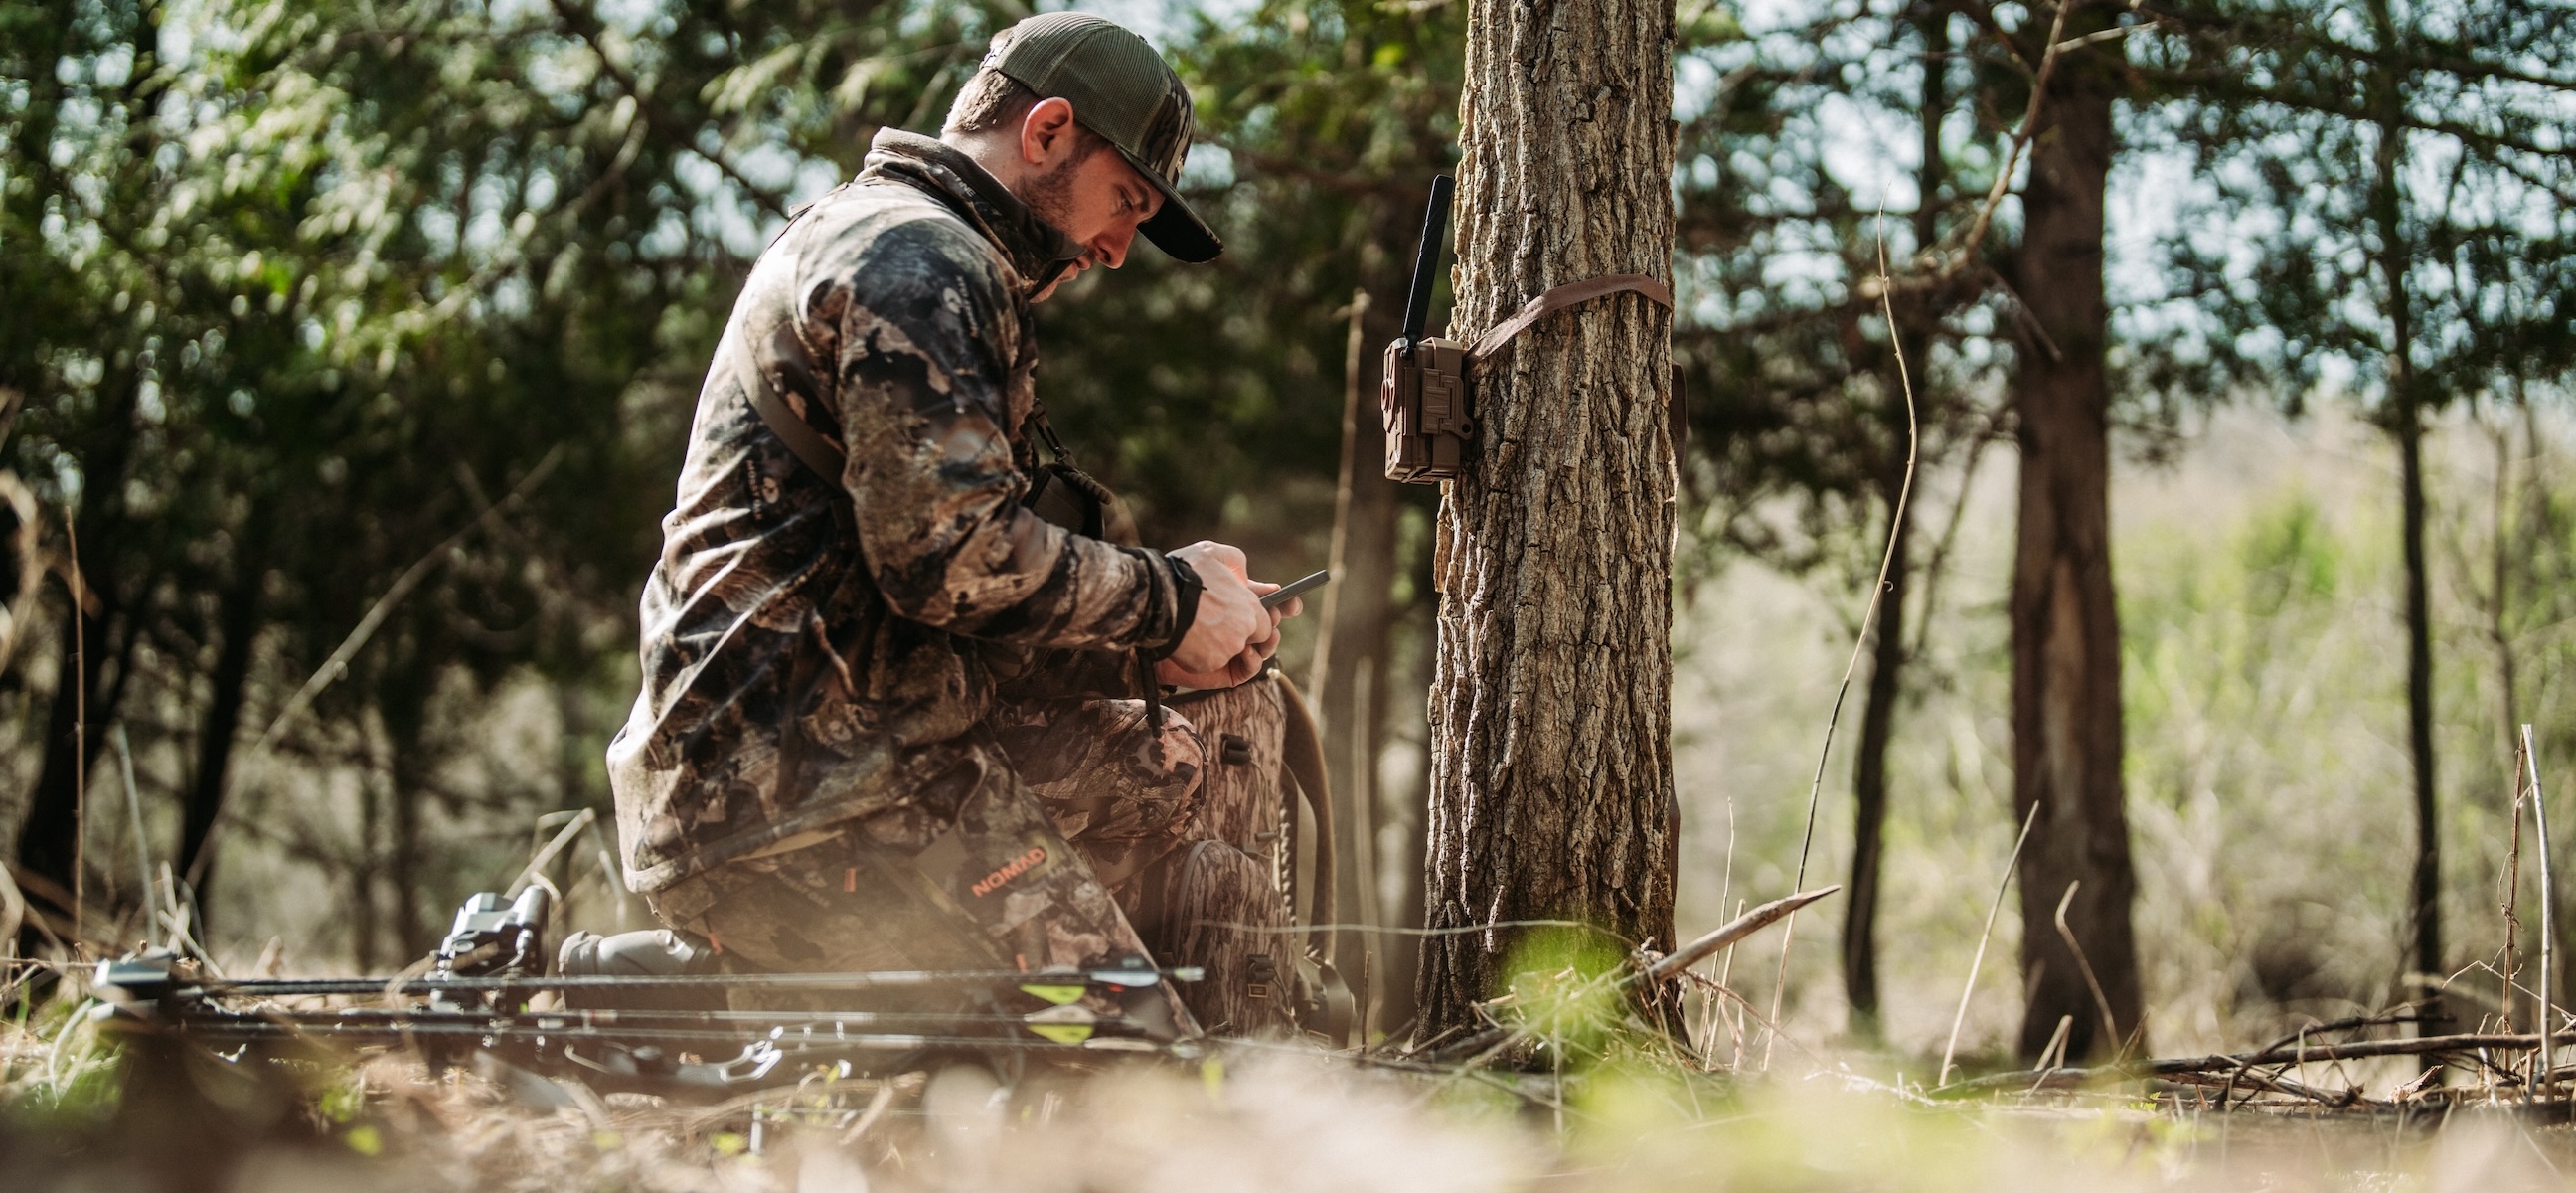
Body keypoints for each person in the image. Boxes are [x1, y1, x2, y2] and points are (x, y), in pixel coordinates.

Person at [605, 14, 1302, 1021]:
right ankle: (753, 1005)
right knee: (1135, 1065)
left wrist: (1151, 642)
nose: (1117, 251)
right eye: (1126, 201)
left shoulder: (884, 234)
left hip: (805, 767)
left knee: (1160, 765)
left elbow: (917, 605)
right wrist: (1170, 601)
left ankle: (791, 1010)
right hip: (824, 797)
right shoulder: (922, 260)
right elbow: (951, 560)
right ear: (1047, 132)